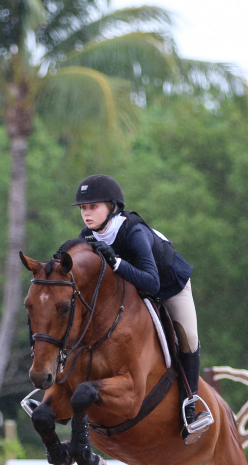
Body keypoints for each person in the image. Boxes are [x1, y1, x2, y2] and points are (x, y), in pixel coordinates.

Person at [70, 174, 212, 439]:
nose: (86, 213)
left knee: (189, 339)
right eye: (83, 208)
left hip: (169, 286)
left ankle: (189, 407)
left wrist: (116, 263)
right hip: (131, 292)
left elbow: (153, 283)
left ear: (112, 206)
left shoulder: (133, 231)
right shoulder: (87, 236)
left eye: (93, 207)